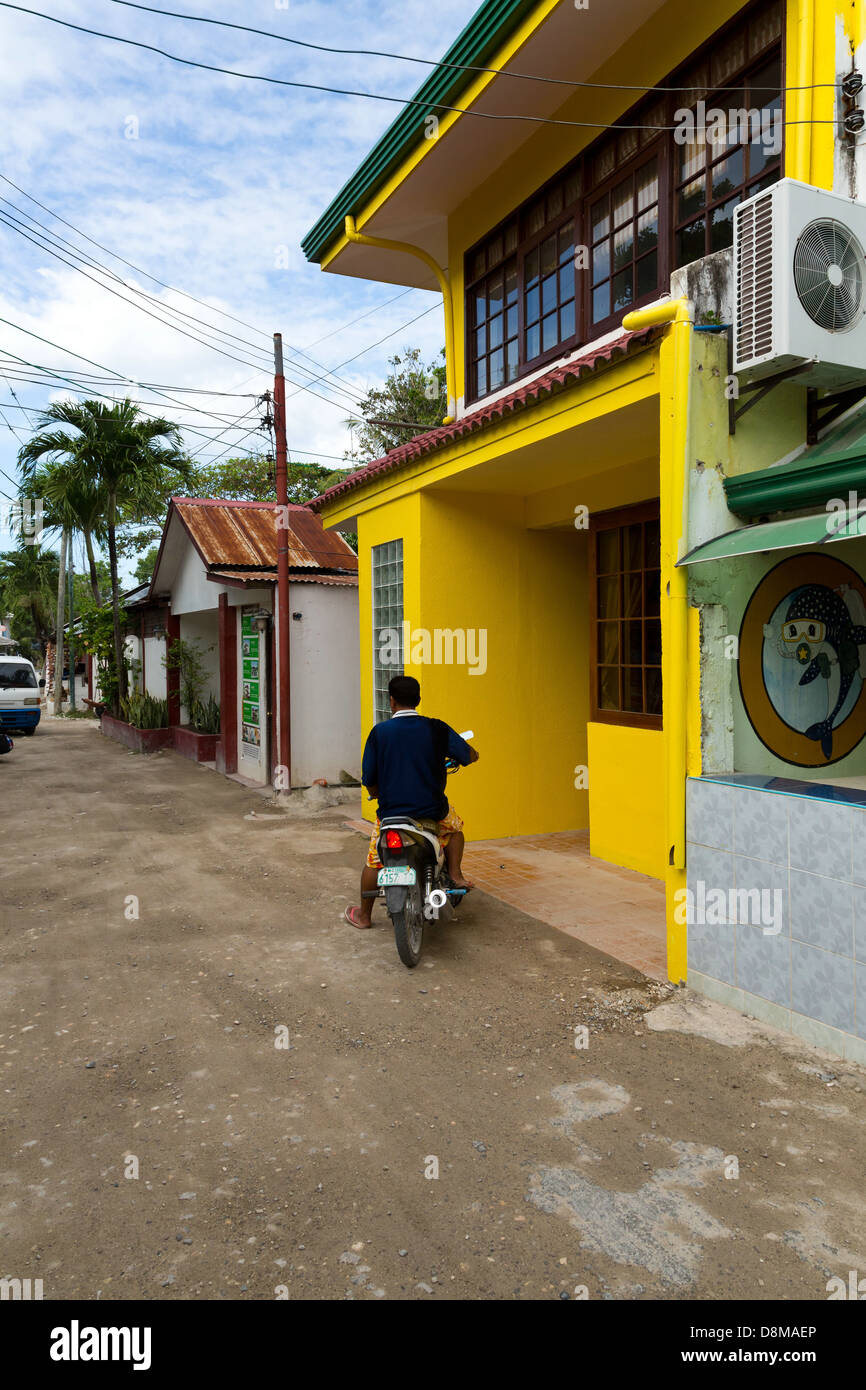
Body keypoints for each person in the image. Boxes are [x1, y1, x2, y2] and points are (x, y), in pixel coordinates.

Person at [344, 674, 479, 930]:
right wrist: (472, 755)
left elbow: (369, 778)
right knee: (456, 829)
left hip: (391, 813)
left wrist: (378, 794)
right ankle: (455, 875)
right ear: (418, 700)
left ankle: (363, 916)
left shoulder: (379, 733)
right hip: (432, 811)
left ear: (392, 702)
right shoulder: (436, 728)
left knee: (374, 860)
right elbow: (466, 754)